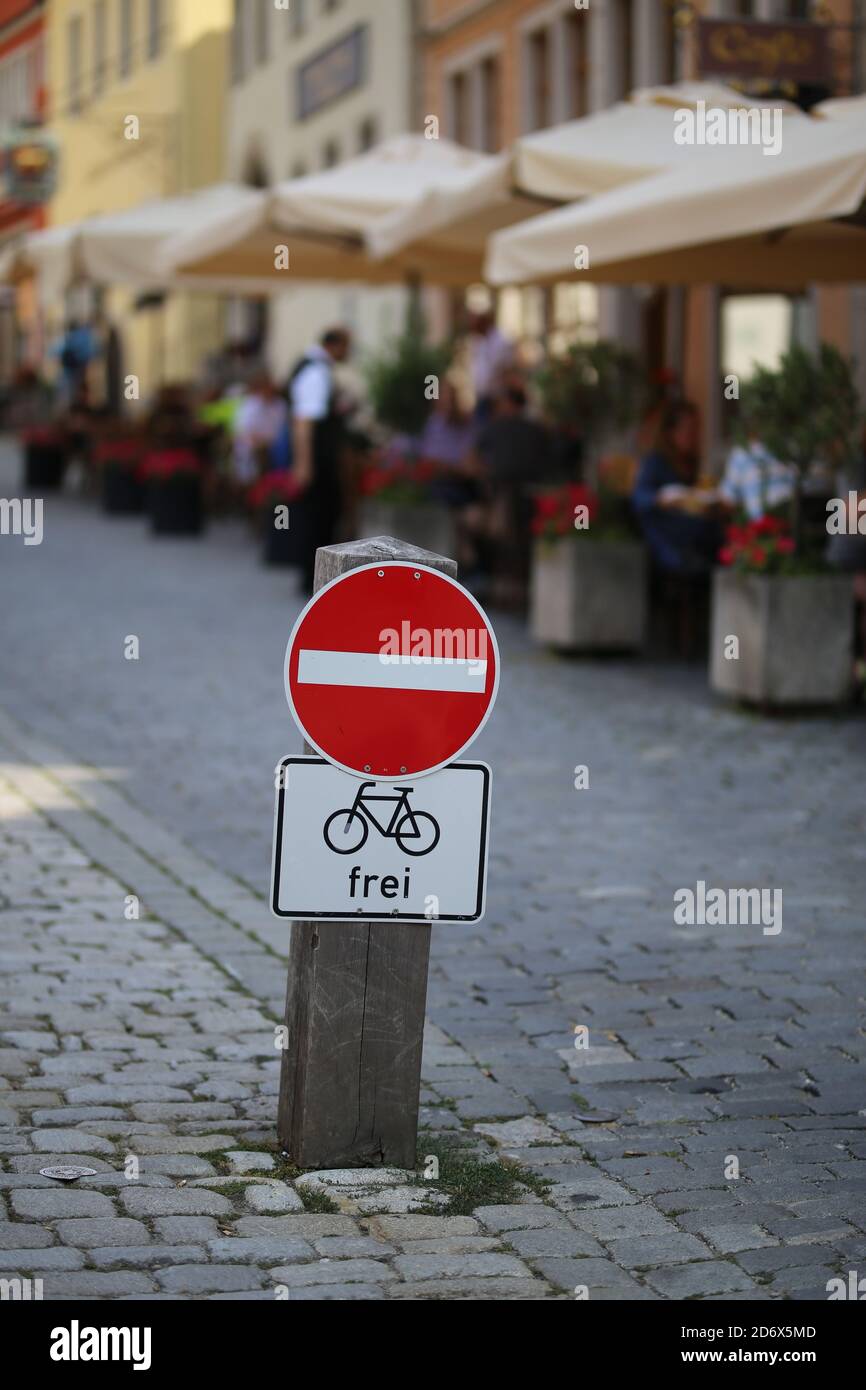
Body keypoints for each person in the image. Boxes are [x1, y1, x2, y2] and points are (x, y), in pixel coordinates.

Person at [289, 327, 352, 591]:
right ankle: (313, 579)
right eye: (347, 346)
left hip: (319, 458)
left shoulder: (315, 367)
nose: (349, 353)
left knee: (321, 516)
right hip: (318, 460)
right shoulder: (316, 371)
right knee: (319, 517)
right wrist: (304, 465)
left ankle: (315, 578)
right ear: (334, 345)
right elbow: (304, 422)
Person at [632, 399, 722, 575]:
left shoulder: (691, 464)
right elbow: (639, 498)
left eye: (696, 430)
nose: (693, 436)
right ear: (670, 433)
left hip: (696, 539)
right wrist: (663, 500)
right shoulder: (655, 463)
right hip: (669, 544)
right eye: (688, 430)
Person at [719, 433, 794, 520]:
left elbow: (727, 497)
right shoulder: (791, 445)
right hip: (793, 517)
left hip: (762, 522)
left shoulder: (741, 453)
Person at [232, 372, 289, 485]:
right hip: (253, 448)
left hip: (275, 447)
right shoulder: (250, 405)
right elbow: (242, 431)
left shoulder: (280, 405)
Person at [468, 311, 514, 424]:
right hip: (482, 395)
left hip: (496, 397)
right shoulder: (479, 341)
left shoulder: (501, 341)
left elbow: (505, 370)